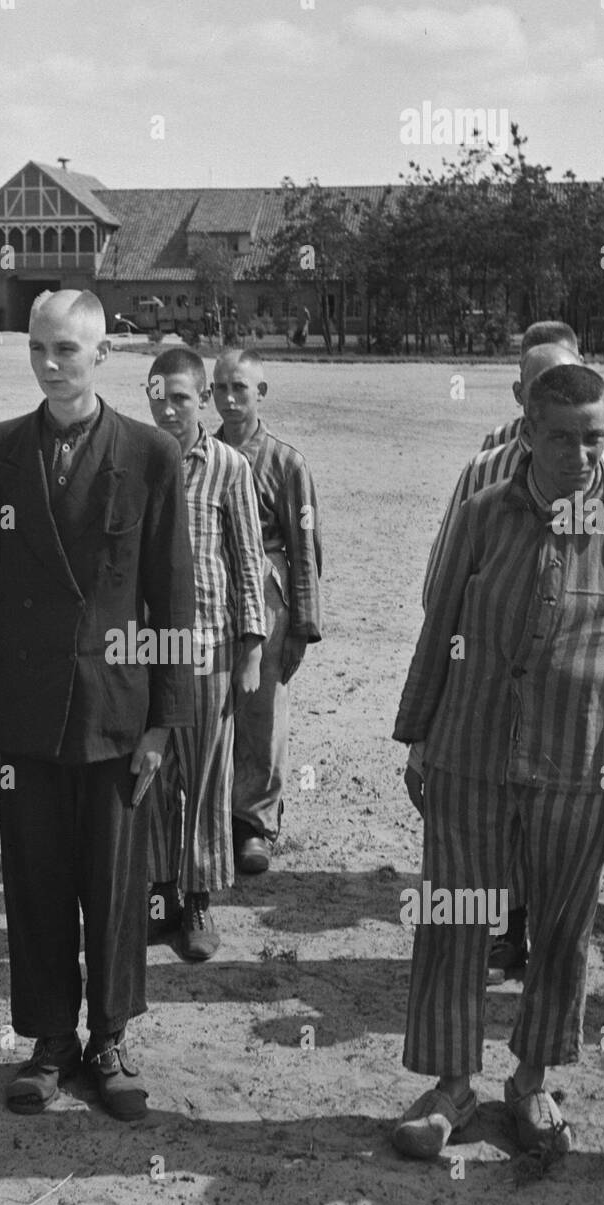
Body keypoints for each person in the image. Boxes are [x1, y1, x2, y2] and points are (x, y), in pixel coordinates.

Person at [392, 364, 604, 1159]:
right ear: (527, 434)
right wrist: (418, 736)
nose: (582, 456)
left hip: (580, 770)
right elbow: (438, 628)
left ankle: (531, 1083)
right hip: (468, 754)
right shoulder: (482, 515)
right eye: (563, 438)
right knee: (453, 919)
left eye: (595, 438)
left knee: (559, 929)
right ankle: (450, 1084)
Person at [0, 290, 195, 1121]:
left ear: (102, 356)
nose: (52, 365)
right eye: (38, 350)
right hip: (25, 711)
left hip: (119, 712)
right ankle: (51, 1040)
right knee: (37, 882)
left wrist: (165, 721)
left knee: (118, 888)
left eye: (67, 351)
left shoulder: (152, 453)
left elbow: (173, 598)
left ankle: (112, 1039)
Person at [423, 343, 604, 981]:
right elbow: (444, 593)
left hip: (572, 724)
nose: (578, 450)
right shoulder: (483, 476)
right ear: (525, 402)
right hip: (488, 699)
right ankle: (506, 928)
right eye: (542, 387)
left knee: (560, 851)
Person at [145, 346, 266, 962]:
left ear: (203, 400)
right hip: (146, 649)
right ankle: (161, 895)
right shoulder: (134, 459)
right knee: (153, 776)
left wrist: (251, 650)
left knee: (206, 778)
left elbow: (248, 561)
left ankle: (197, 902)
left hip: (212, 650)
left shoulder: (227, 467)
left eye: (181, 398)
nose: (167, 409)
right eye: (156, 395)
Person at [212, 348, 322, 875]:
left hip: (268, 592)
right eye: (221, 390)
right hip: (211, 595)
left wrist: (302, 626)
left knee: (261, 712)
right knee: (212, 706)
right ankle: (212, 818)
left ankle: (254, 824)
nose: (230, 400)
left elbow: (305, 547)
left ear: (262, 392)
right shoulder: (200, 453)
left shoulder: (286, 462)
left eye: (241, 389)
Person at [480, 321, 604, 461]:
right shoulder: (499, 441)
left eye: (565, 378)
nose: (555, 394)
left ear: (581, 367)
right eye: (540, 383)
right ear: (519, 392)